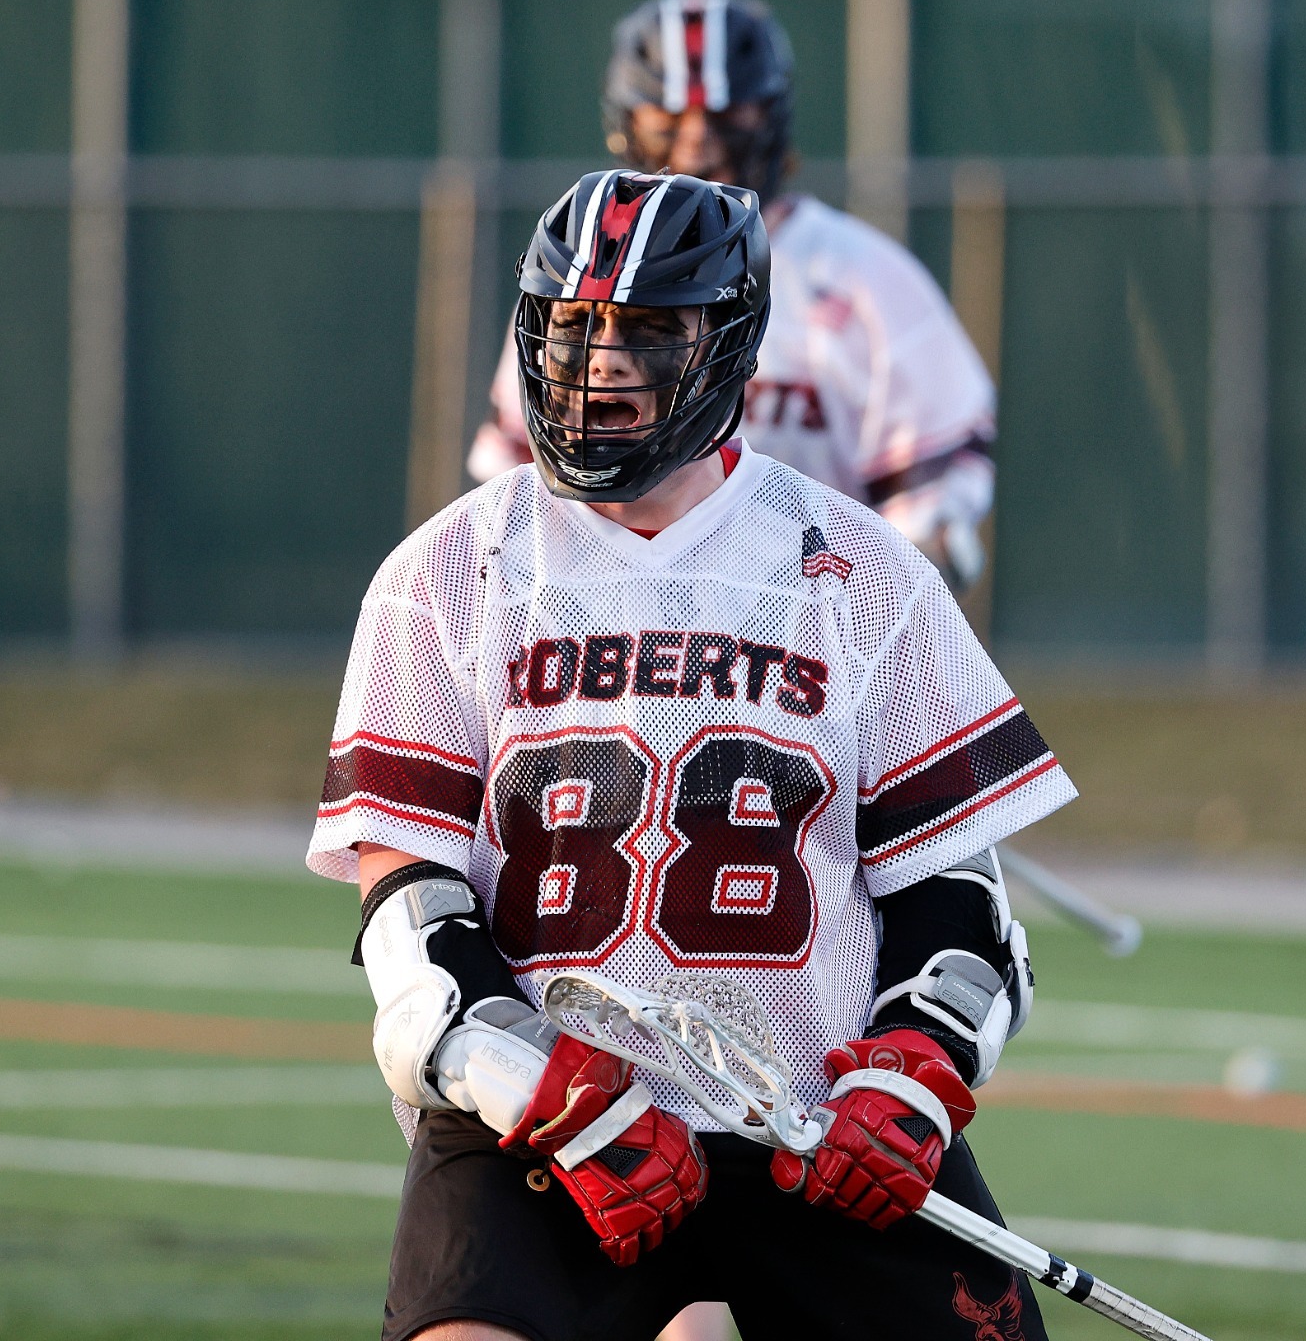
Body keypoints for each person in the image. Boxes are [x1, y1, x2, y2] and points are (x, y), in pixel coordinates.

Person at [312, 170, 1074, 1341]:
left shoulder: (864, 575)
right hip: (547, 1112)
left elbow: (955, 902)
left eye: (648, 328)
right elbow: (407, 909)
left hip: (805, 1125)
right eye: (574, 324)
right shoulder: (446, 571)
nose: (601, 360)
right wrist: (534, 1076)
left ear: (730, 340)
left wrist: (910, 1069)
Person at [468, 0, 995, 591]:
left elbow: (928, 518)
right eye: (669, 117)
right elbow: (514, 496)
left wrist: (855, 617)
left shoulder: (869, 280)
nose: (697, 143)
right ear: (626, 122)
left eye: (727, 115)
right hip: (602, 621)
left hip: (805, 632)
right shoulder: (583, 272)